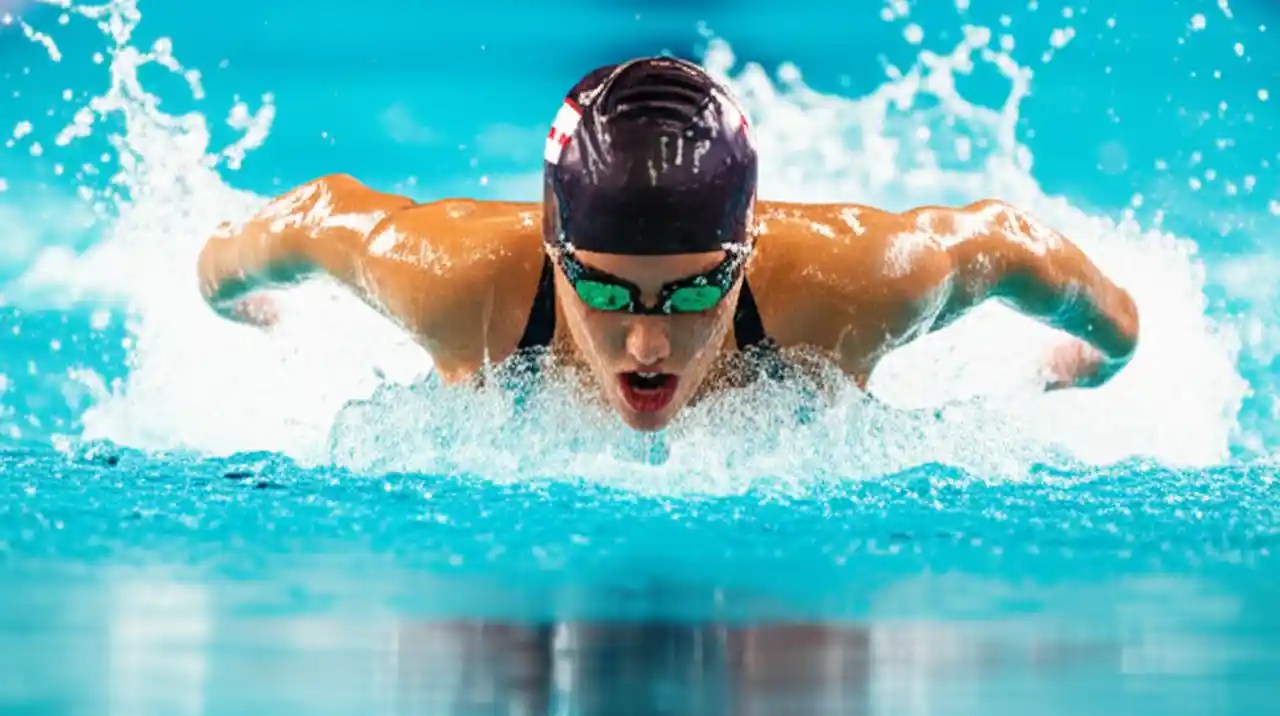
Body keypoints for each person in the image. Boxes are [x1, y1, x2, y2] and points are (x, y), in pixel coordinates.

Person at [197, 56, 1139, 432]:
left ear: (746, 256)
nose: (648, 343)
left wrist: (1099, 356)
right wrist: (230, 301)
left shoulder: (855, 288)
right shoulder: (453, 283)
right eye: (607, 292)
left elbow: (1011, 248)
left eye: (692, 295)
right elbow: (308, 220)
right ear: (550, 248)